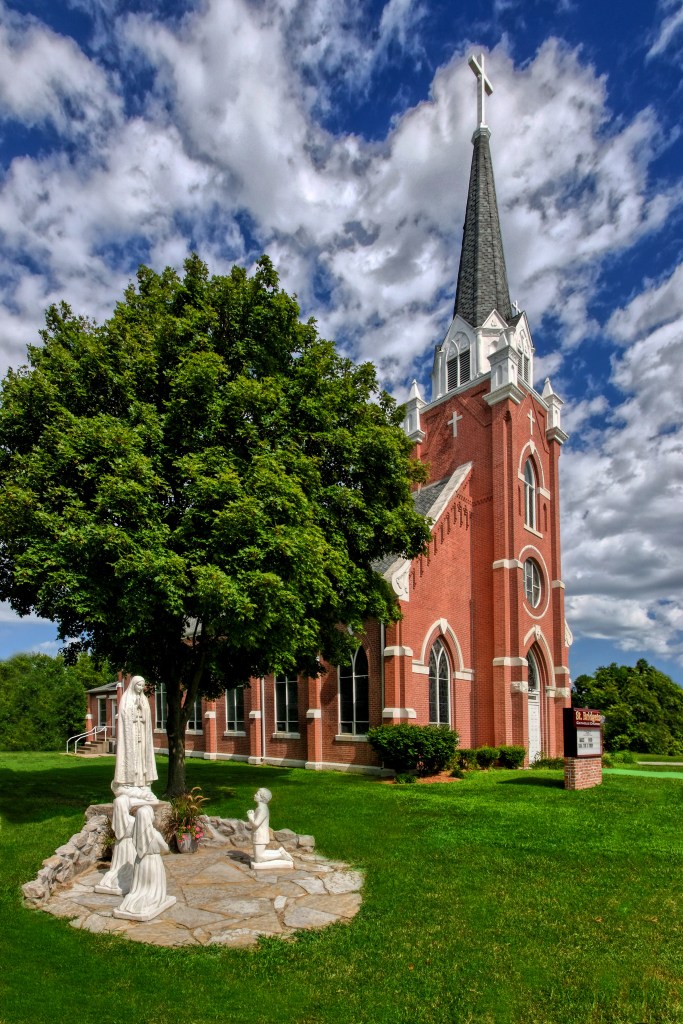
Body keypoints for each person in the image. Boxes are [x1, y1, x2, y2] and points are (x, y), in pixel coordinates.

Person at [113, 803, 175, 921]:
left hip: (140, 862)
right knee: (152, 888)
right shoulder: (155, 834)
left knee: (140, 888)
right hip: (153, 862)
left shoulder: (136, 836)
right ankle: (153, 899)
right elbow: (166, 849)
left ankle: (134, 900)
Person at [112, 675, 158, 801]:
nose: (141, 688)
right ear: (133, 684)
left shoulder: (144, 699)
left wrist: (142, 708)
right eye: (139, 685)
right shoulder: (126, 699)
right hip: (130, 736)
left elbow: (147, 717)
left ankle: (142, 783)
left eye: (142, 686)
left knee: (142, 758)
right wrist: (134, 707)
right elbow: (124, 715)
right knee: (132, 758)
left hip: (141, 734)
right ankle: (129, 783)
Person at [247, 788, 294, 867]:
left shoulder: (262, 809)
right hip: (257, 834)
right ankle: (280, 852)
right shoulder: (259, 808)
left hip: (260, 836)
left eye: (257, 794)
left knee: (258, 859)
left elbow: (255, 824)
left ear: (262, 798)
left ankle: (280, 855)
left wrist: (250, 816)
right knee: (258, 856)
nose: (254, 795)